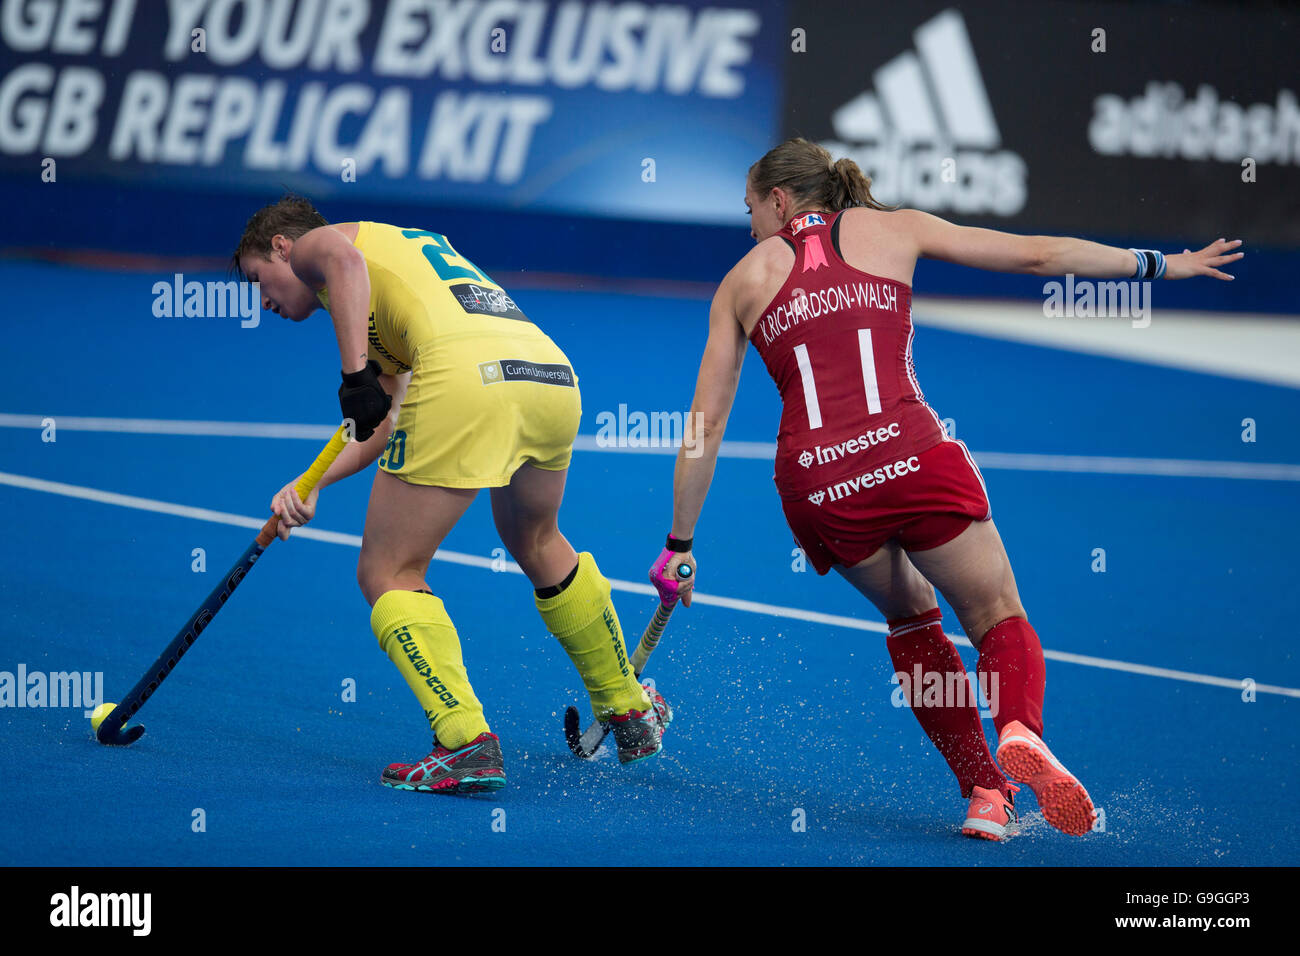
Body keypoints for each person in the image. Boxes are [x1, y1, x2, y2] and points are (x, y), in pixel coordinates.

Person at [648, 138, 1243, 840]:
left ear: (780, 201)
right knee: (994, 613)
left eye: (749, 207)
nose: (747, 223)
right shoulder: (897, 227)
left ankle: (986, 795)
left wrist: (679, 544)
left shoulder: (742, 280)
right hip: (910, 457)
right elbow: (1037, 257)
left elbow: (704, 426)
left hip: (818, 485)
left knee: (910, 617)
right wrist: (1160, 264)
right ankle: (1019, 727)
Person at [232, 195, 671, 794]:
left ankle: (464, 740)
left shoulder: (319, 247)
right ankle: (628, 706)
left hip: (468, 376)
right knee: (535, 538)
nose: (263, 301)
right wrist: (309, 487)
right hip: (547, 372)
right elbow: (381, 417)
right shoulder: (394, 264)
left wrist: (353, 374)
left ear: (282, 247)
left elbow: (339, 260)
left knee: (387, 569)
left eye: (259, 279)